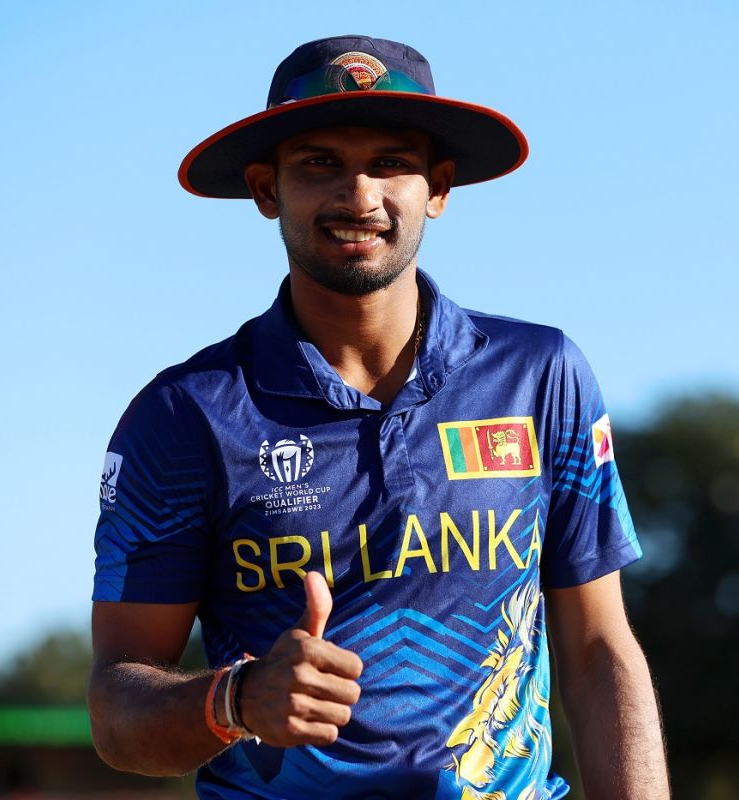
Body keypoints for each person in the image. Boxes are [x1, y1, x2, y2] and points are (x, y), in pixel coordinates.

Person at [88, 35, 670, 800]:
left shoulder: (541, 376)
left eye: (392, 162)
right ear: (267, 190)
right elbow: (116, 711)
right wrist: (234, 699)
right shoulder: (184, 414)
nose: (360, 195)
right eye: (319, 163)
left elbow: (598, 650)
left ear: (440, 187)